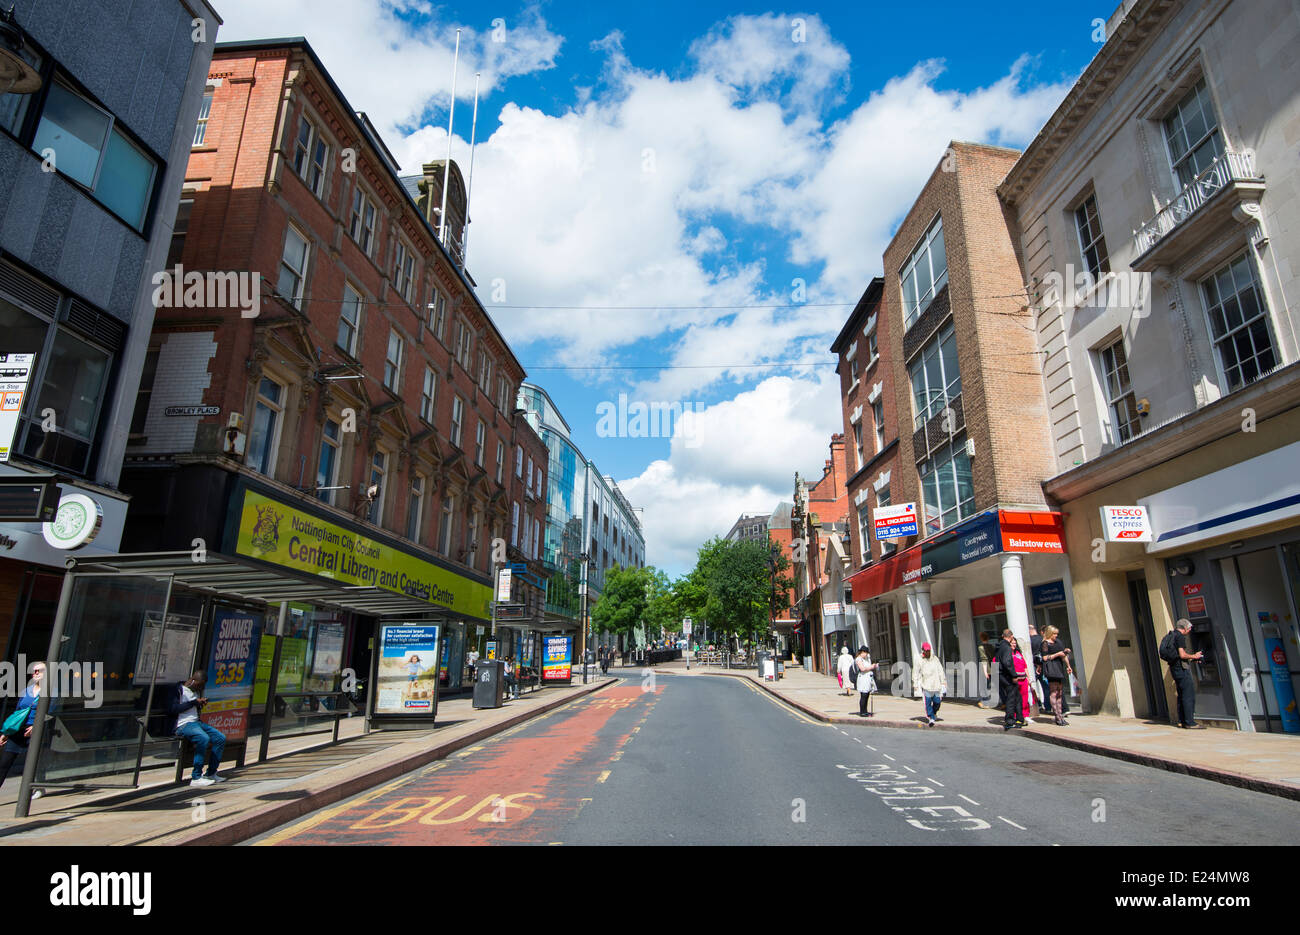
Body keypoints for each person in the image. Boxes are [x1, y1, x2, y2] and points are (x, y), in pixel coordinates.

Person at [169, 670, 226, 786]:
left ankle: (211, 773)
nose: (201, 688)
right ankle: (196, 776)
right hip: (183, 724)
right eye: (200, 685)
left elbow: (194, 706)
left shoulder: (195, 692)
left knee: (220, 738)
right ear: (193, 681)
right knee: (203, 738)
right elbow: (173, 709)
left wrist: (199, 704)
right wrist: (194, 703)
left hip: (196, 723)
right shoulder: (178, 691)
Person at [0, 661, 45, 794]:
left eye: (39, 670)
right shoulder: (26, 690)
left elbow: (51, 712)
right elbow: (17, 712)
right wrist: (6, 733)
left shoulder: (51, 692)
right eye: (34, 670)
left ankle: (37, 787)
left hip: (34, 731)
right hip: (19, 730)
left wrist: (36, 726)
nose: (35, 673)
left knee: (32, 764)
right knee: (4, 763)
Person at [1169, 620, 1205, 728]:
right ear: (1184, 627)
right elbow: (1182, 655)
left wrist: (1191, 659)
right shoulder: (1179, 637)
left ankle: (1181, 721)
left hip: (1174, 668)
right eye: (1189, 628)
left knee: (1181, 694)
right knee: (1188, 695)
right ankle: (1190, 722)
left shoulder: (1172, 635)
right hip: (1182, 669)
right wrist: (1195, 656)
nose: (1189, 631)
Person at [994, 630, 1028, 730]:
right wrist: (1014, 675)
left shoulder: (999, 647)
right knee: (1011, 697)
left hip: (1001, 674)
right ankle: (1010, 720)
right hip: (1007, 676)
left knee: (1017, 697)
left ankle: (1019, 719)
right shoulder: (1007, 647)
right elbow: (1007, 662)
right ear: (1011, 636)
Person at [1040, 625, 1072, 726]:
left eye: (1057, 634)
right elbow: (1045, 658)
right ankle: (1057, 715)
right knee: (1053, 691)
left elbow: (1063, 655)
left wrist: (1068, 665)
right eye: (1054, 634)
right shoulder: (1045, 643)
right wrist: (1057, 654)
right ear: (1050, 633)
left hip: (1059, 668)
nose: (1056, 636)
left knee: (1060, 692)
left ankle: (1060, 714)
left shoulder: (1058, 642)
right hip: (1051, 668)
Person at [912, 642, 947, 726]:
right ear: (923, 650)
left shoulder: (935, 659)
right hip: (926, 685)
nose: (928, 652)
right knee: (927, 703)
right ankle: (931, 718)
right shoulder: (919, 660)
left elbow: (940, 670)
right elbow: (915, 672)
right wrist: (915, 684)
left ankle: (934, 713)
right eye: (926, 650)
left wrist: (943, 681)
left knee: (937, 702)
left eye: (929, 650)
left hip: (936, 684)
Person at [854, 647, 880, 716]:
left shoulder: (865, 659)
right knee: (864, 695)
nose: (866, 655)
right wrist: (872, 667)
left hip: (867, 678)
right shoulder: (858, 659)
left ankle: (865, 710)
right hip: (863, 679)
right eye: (866, 653)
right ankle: (862, 712)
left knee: (867, 695)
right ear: (862, 652)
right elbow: (862, 669)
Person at [976, 632, 993, 709]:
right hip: (993, 668)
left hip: (987, 668)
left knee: (985, 686)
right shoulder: (991, 646)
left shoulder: (981, 647)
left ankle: (983, 701)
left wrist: (985, 671)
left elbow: (984, 659)